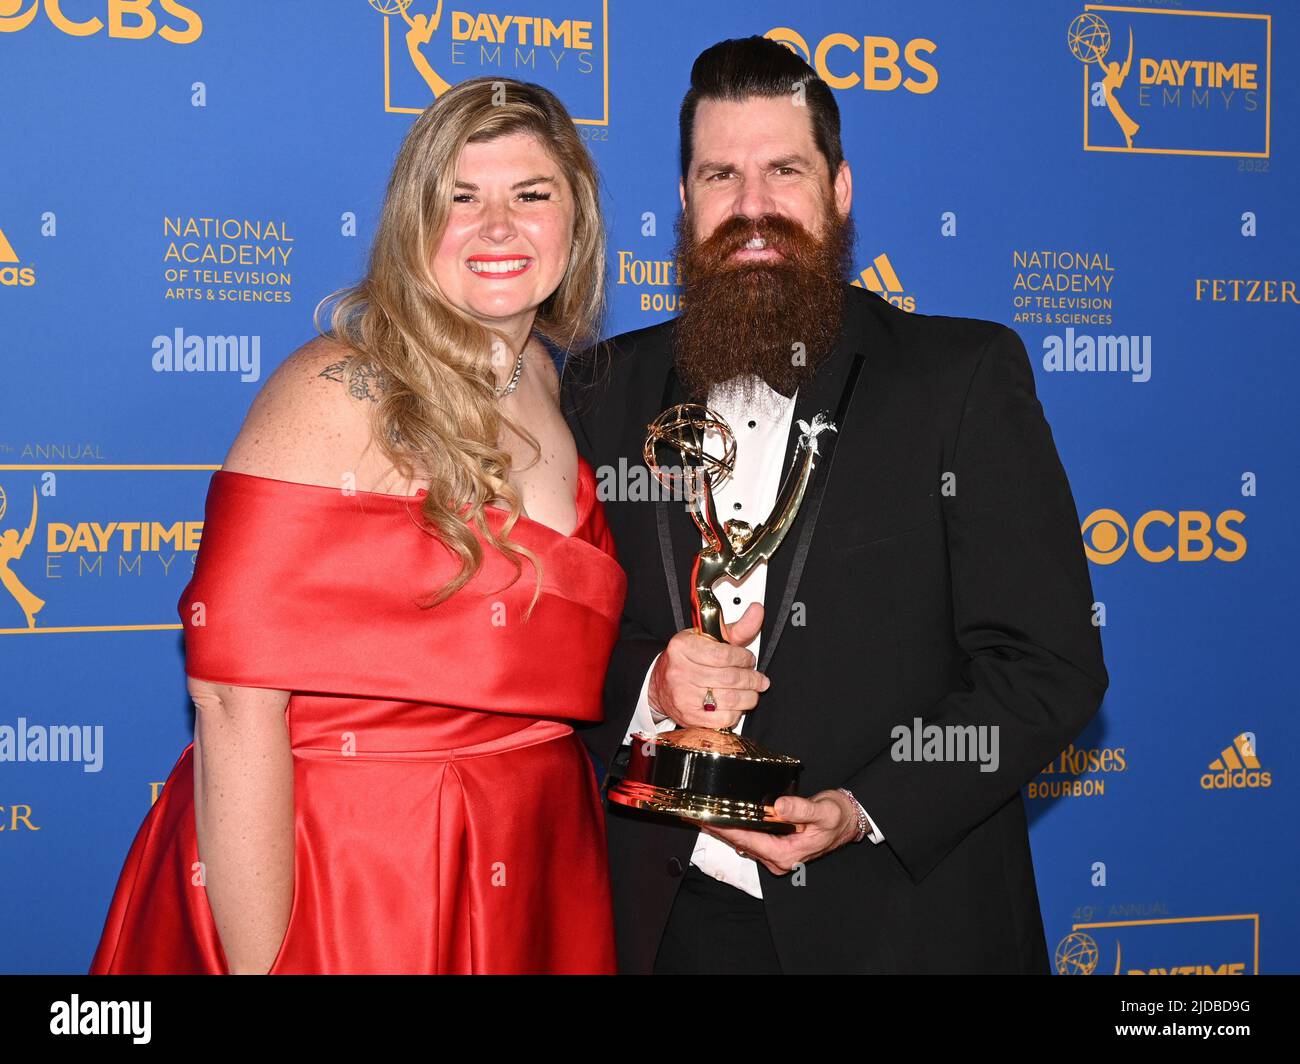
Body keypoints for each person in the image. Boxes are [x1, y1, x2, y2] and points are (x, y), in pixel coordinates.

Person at [562, 36, 1109, 974]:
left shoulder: (961, 377)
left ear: (840, 188)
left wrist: (865, 809)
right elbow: (550, 645)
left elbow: (1046, 667)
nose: (752, 208)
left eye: (784, 170)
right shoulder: (602, 389)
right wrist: (651, 687)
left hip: (899, 926)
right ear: (686, 202)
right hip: (660, 929)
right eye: (720, 175)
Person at [90, 77, 625, 975]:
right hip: (363, 867)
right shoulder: (340, 388)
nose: (499, 226)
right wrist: (268, 959)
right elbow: (231, 701)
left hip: (539, 848)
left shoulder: (543, 373)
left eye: (531, 195)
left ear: (576, 220)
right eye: (461, 198)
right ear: (414, 224)